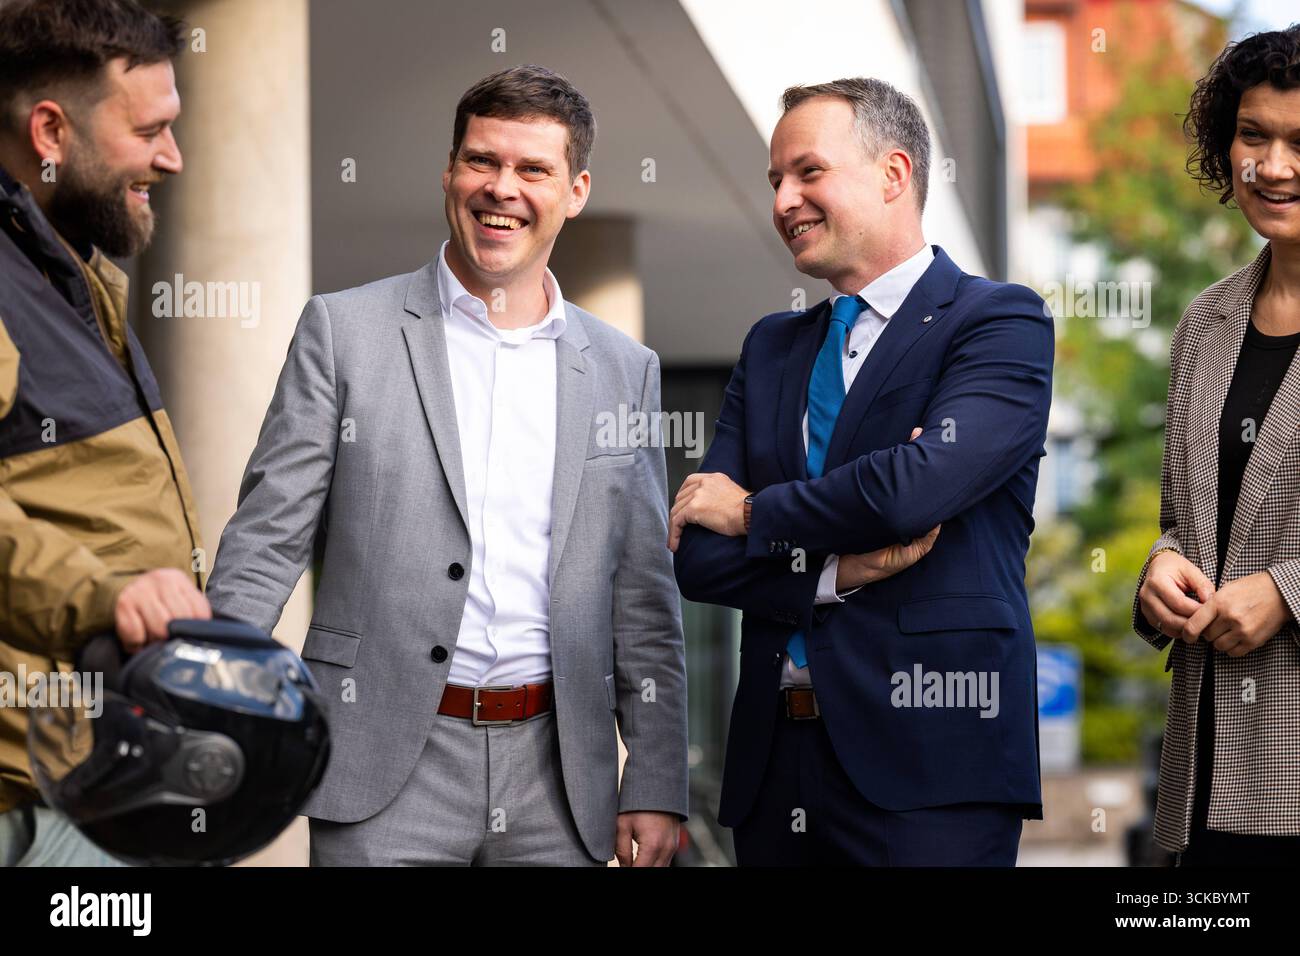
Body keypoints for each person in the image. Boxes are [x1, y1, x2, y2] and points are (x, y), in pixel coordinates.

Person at [205, 65, 687, 866]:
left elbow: (642, 594)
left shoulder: (621, 368)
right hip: (380, 761)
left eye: (533, 169)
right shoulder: (344, 330)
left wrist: (657, 775)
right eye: (481, 161)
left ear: (576, 190)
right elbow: (266, 540)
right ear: (449, 172)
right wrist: (208, 693)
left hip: (559, 778)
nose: (502, 189)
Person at [671, 78, 1054, 865]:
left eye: (807, 172)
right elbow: (697, 558)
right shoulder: (770, 347)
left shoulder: (998, 321)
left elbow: (914, 488)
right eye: (775, 179)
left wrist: (751, 516)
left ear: (894, 173)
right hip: (774, 772)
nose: (783, 200)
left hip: (931, 776)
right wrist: (836, 572)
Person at [0, 0, 208, 867]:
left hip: (107, 778)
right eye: (149, 130)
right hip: (35, 805)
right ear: (51, 128)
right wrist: (103, 593)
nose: (173, 157)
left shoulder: (78, 270)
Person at [1134, 24, 1300, 866]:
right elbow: (1183, 515)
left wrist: (1287, 591)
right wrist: (1160, 567)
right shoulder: (1204, 320)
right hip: (1208, 771)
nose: (1271, 166)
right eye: (1253, 134)